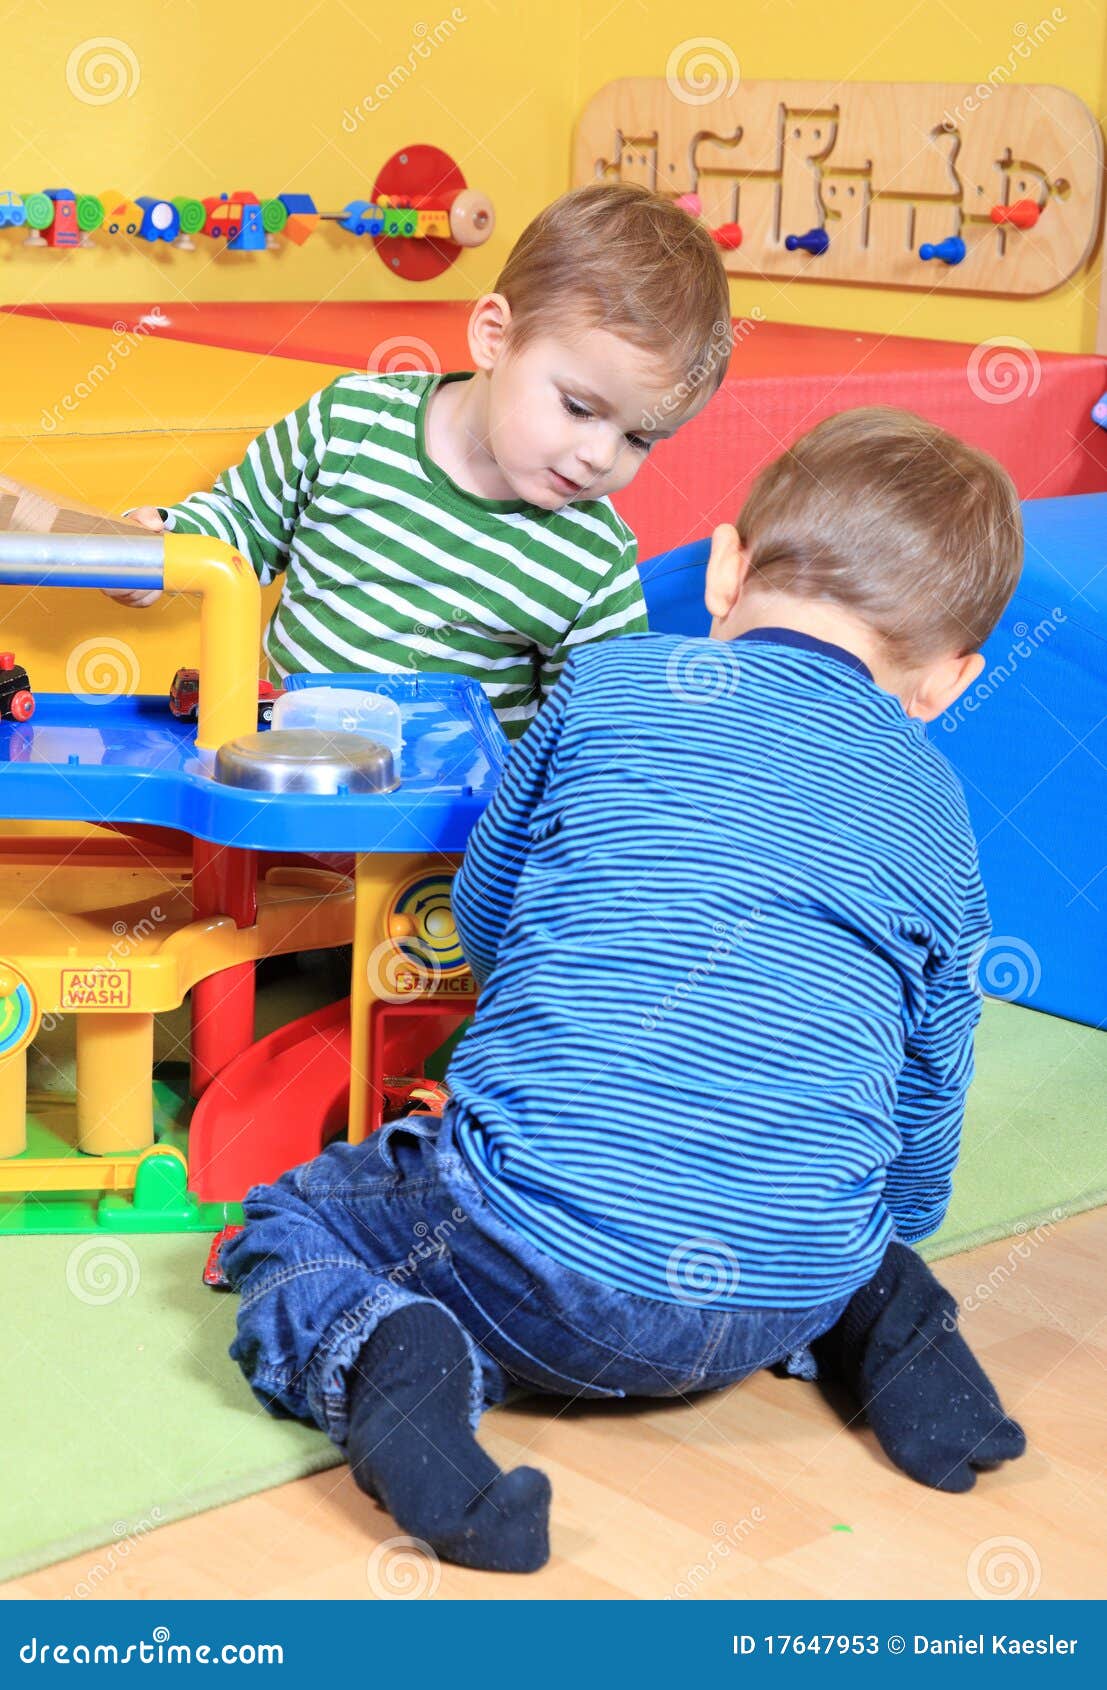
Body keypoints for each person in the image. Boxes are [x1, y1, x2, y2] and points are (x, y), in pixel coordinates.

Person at [219, 407, 1027, 1574]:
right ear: (951, 682)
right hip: (784, 1288)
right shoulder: (944, 816)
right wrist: (878, 1231)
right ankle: (898, 1336)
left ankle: (401, 1371)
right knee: (849, 1214)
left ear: (727, 563)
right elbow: (930, 1081)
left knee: (291, 1222)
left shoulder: (610, 685)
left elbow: (487, 906)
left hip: (530, 1264)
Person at [108, 182, 732, 737]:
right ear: (496, 337)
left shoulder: (594, 557)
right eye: (578, 407)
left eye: (640, 440)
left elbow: (599, 726)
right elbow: (242, 522)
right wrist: (164, 547)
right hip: (289, 774)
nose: (601, 457)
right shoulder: (350, 423)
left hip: (448, 837)